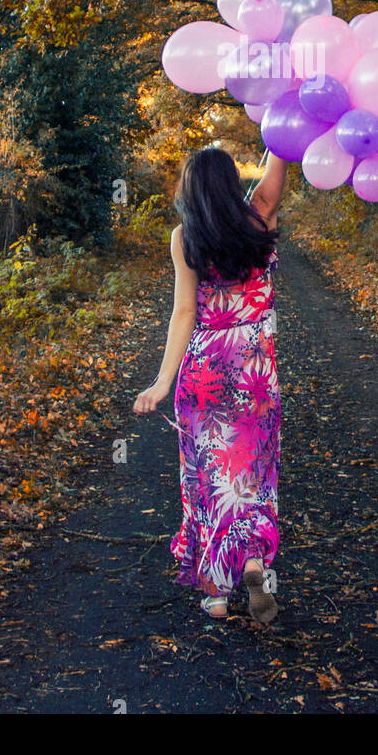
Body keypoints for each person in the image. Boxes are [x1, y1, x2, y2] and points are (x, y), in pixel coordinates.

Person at [134, 146, 288, 623]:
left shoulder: (185, 237)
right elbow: (280, 159)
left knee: (206, 480)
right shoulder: (258, 219)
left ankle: (216, 593)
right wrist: (276, 129)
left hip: (204, 367)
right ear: (229, 183)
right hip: (254, 368)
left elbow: (184, 312)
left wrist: (162, 382)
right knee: (252, 473)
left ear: (190, 188)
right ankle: (254, 559)